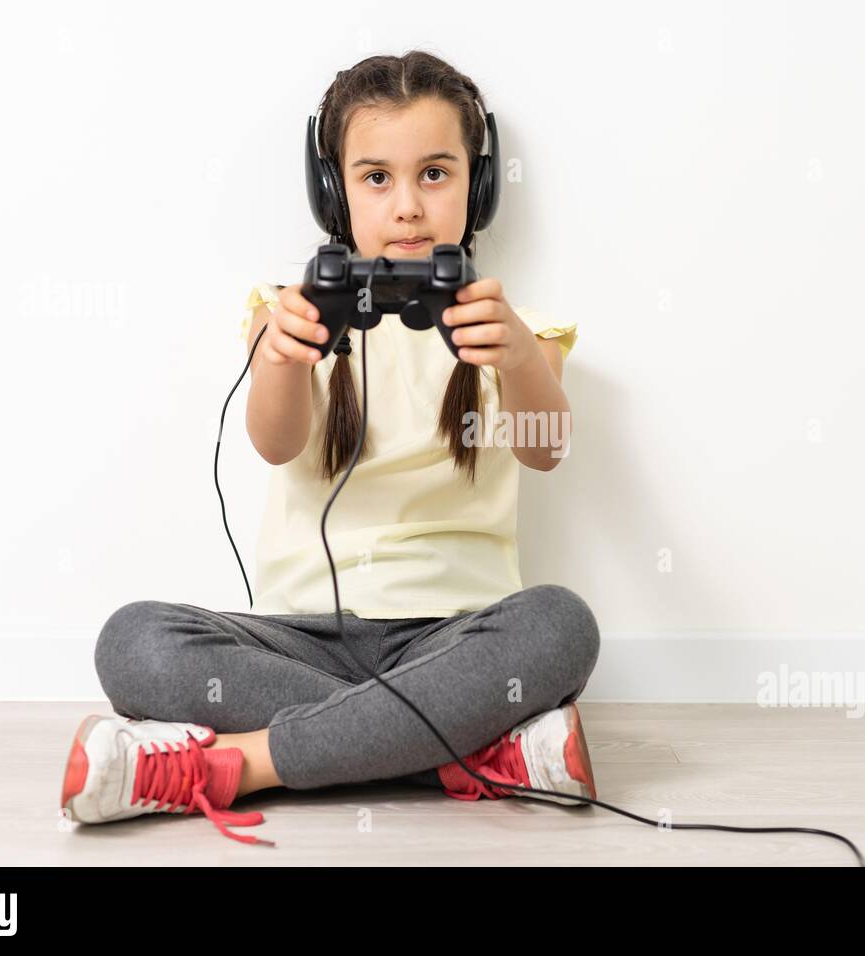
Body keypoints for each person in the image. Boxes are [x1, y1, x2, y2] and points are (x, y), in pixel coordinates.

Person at [59, 50, 600, 846]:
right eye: (376, 177)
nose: (408, 207)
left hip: (452, 634)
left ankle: (234, 764)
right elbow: (275, 446)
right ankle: (469, 750)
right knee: (133, 640)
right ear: (332, 191)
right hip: (302, 636)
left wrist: (517, 355)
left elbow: (545, 450)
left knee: (560, 626)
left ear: (478, 187)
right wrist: (280, 358)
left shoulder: (518, 329)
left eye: (437, 174)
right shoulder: (287, 314)